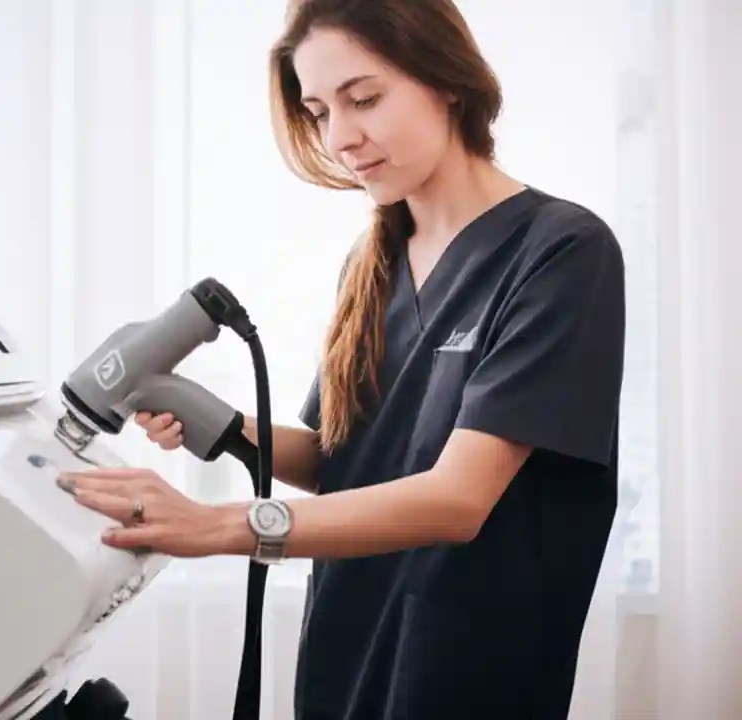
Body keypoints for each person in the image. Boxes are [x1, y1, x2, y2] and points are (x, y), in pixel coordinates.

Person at [55, 1, 626, 717]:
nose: (341, 138)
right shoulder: (374, 262)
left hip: (470, 669)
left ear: (446, 79)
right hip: (344, 655)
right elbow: (341, 461)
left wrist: (221, 526)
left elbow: (457, 501)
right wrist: (212, 415)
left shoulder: (561, 252)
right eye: (321, 111)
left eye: (364, 99)